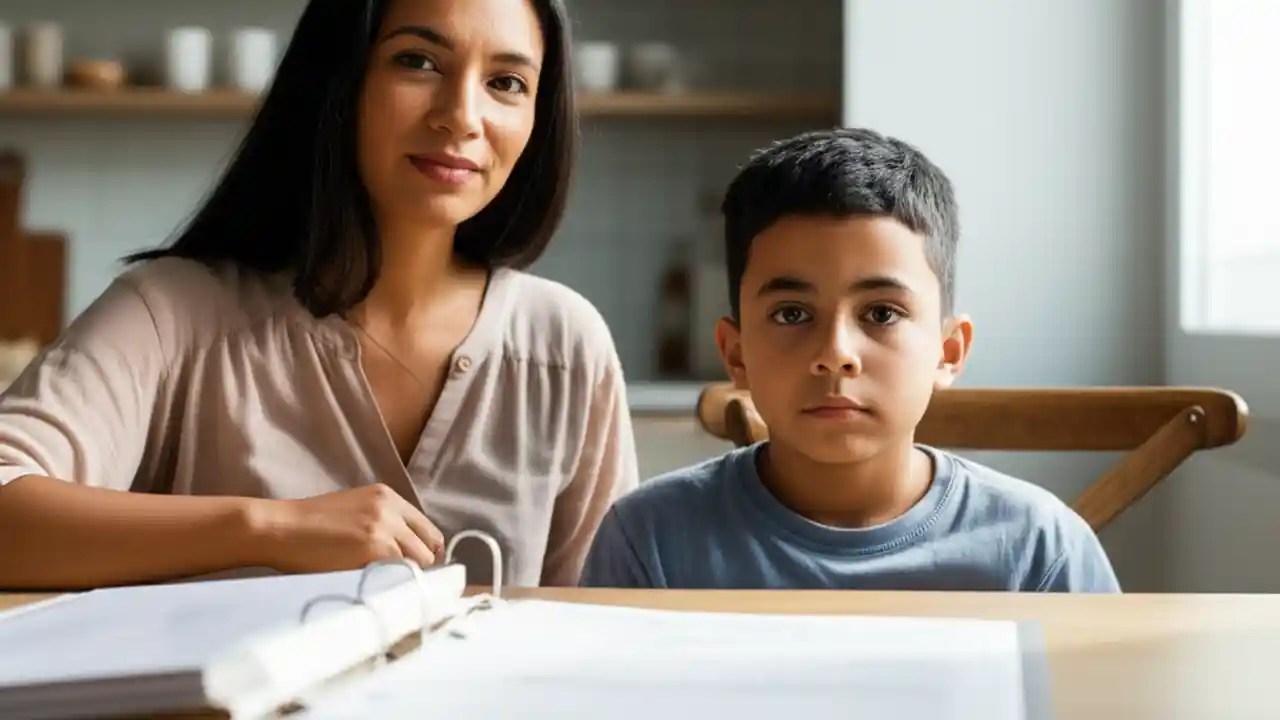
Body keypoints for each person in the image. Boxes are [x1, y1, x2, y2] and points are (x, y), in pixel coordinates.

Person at [0, 0, 637, 591]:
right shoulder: (173, 312)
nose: (462, 117)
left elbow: (608, 626)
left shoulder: (564, 346)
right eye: (417, 61)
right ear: (338, 79)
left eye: (507, 83)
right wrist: (270, 529)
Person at [580, 128, 1119, 592]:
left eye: (881, 314)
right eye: (792, 314)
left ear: (948, 351)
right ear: (735, 353)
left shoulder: (1040, 551)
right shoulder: (649, 540)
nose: (835, 354)